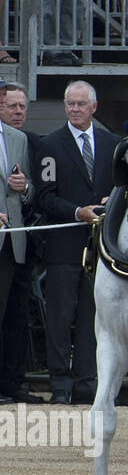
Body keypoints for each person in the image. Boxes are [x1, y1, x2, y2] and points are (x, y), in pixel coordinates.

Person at [36, 81, 119, 405]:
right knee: (59, 317)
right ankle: (60, 384)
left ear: (93, 107)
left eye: (80, 104)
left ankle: (87, 383)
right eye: (70, 104)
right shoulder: (51, 145)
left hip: (100, 248)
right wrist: (76, 211)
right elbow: (44, 198)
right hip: (63, 246)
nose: (74, 109)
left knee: (91, 317)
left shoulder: (112, 144)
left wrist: (111, 200)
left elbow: (122, 188)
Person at [0, 84, 39, 404]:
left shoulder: (19, 140)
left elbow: (29, 194)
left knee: (13, 316)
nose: (17, 112)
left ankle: (10, 385)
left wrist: (25, 187)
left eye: (21, 106)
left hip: (14, 242)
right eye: (10, 106)